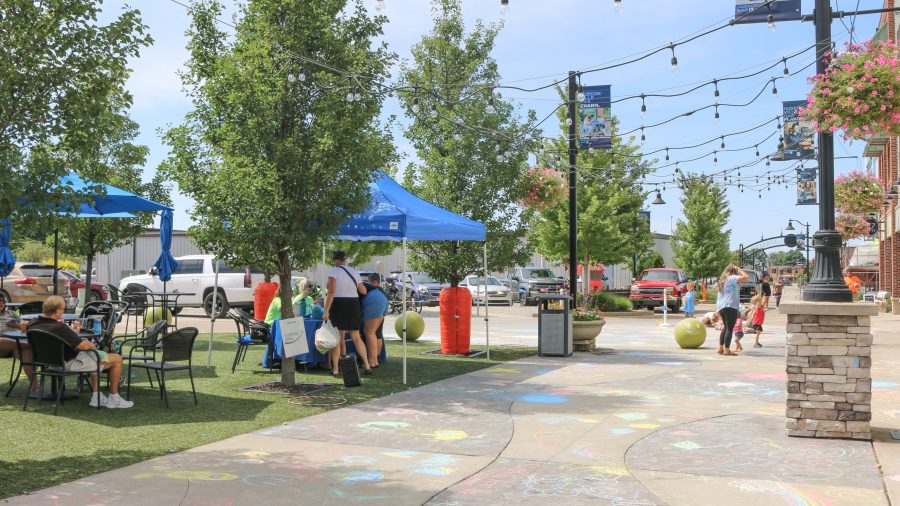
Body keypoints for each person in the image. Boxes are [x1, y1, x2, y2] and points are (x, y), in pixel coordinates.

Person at [27, 296, 133, 408]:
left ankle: (97, 396)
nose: (64, 311)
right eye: (63, 308)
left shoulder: (33, 323)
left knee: (94, 357)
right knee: (116, 359)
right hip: (67, 364)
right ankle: (114, 398)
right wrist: (91, 345)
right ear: (57, 311)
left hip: (47, 364)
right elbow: (84, 346)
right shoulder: (60, 328)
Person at [323, 251, 371, 376]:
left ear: (335, 260)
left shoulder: (334, 271)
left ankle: (336, 369)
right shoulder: (355, 272)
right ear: (345, 259)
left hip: (339, 304)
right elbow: (363, 291)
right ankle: (367, 365)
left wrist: (326, 310)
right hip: (354, 304)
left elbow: (331, 292)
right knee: (356, 337)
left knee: (338, 338)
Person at [716, 264, 749, 356]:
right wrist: (739, 270)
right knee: (730, 328)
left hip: (721, 306)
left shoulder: (723, 279)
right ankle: (727, 350)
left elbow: (739, 285)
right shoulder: (732, 277)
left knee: (726, 327)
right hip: (730, 306)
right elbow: (746, 277)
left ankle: (720, 348)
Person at [361, 273, 388, 369]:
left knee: (369, 333)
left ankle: (371, 361)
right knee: (375, 334)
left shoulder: (366, 287)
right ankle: (375, 360)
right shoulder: (380, 290)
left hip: (373, 302)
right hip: (382, 302)